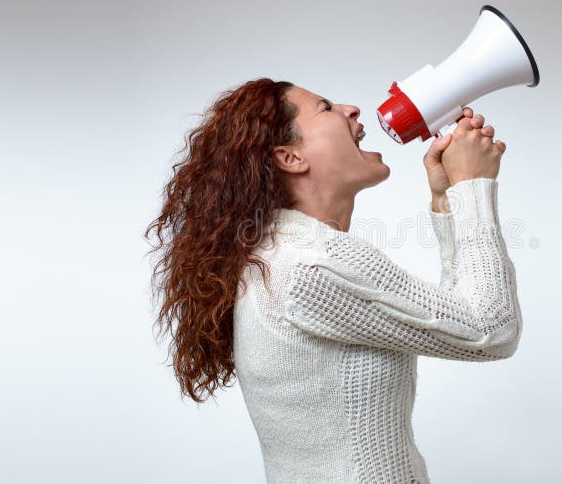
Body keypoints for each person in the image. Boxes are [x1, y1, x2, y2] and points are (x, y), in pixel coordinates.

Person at [146, 77, 522, 483]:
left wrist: (447, 199)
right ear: (290, 157)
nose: (352, 109)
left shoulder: (284, 254)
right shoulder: (314, 264)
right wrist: (474, 186)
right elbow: (491, 329)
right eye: (325, 108)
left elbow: (458, 317)